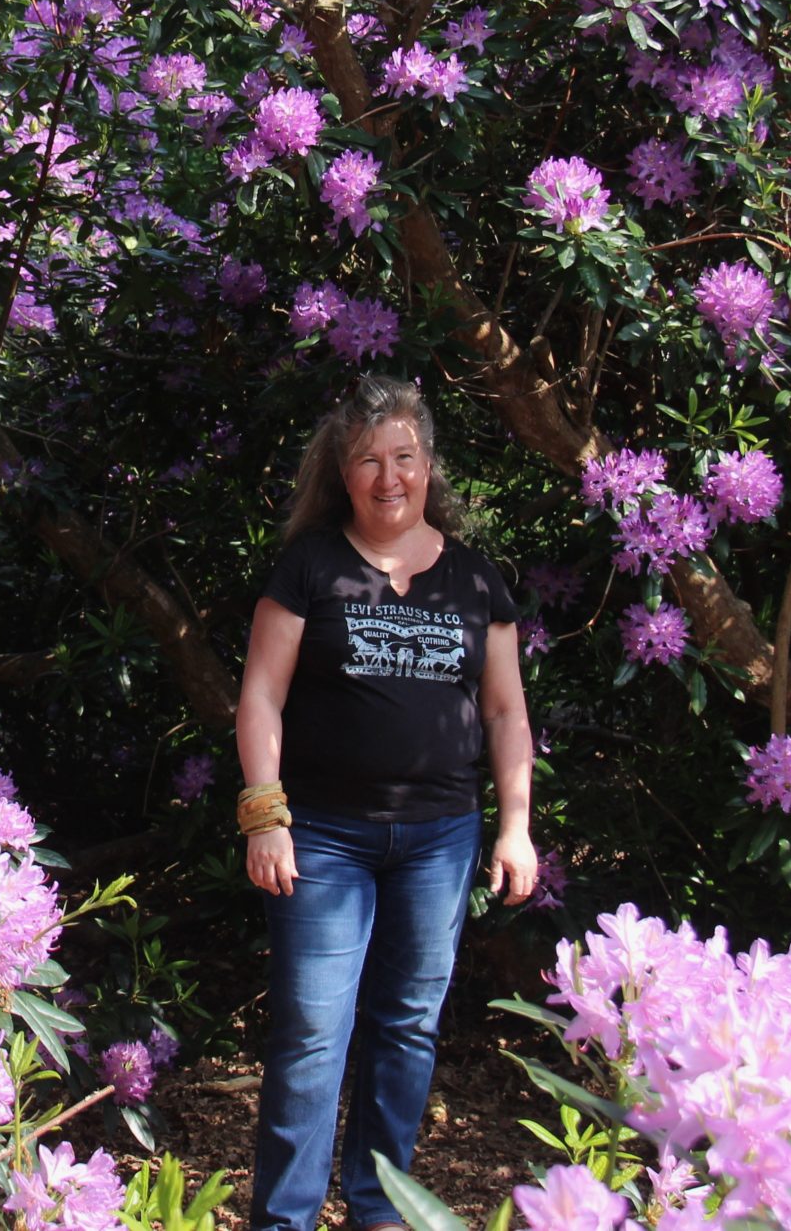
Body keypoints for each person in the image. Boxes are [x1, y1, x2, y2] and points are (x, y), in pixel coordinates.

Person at [236, 374, 537, 1231]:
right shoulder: (310, 565)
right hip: (325, 837)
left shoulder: (478, 581)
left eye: (403, 456)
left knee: (407, 1029)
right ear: (343, 469)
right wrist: (266, 812)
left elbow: (508, 710)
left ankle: (380, 1211)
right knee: (310, 1038)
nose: (388, 476)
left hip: (440, 839)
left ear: (429, 462)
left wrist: (515, 826)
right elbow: (260, 694)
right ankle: (285, 1222)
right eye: (369, 459)